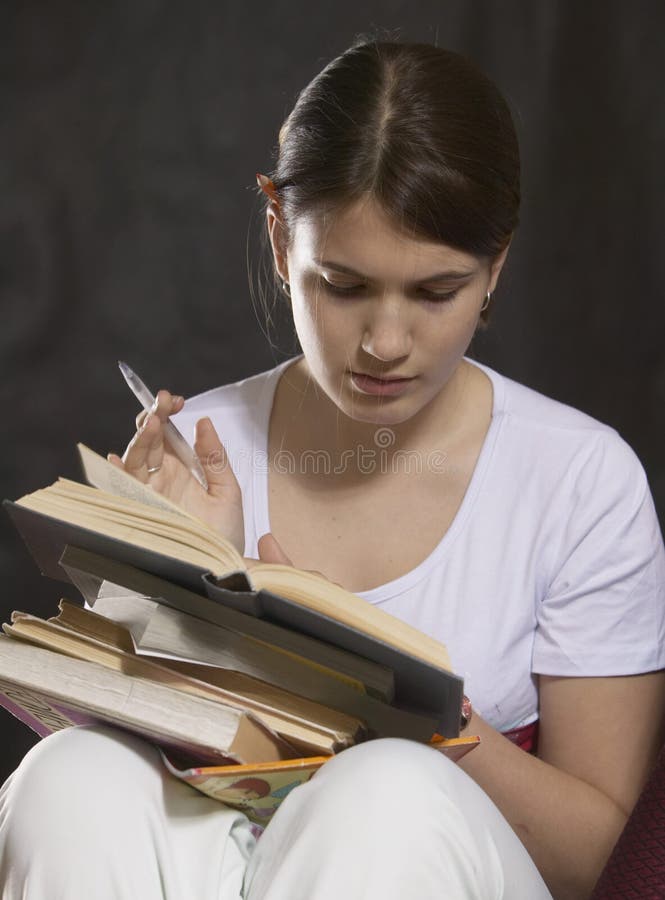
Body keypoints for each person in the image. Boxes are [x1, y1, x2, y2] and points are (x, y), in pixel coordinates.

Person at [1, 39, 664, 900]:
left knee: (383, 793)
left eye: (435, 293)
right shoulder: (194, 455)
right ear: (280, 239)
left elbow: (597, 864)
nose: (385, 343)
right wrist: (179, 597)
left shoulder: (579, 481)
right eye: (343, 286)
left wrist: (401, 706)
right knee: (71, 778)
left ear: (494, 265)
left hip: (440, 863)